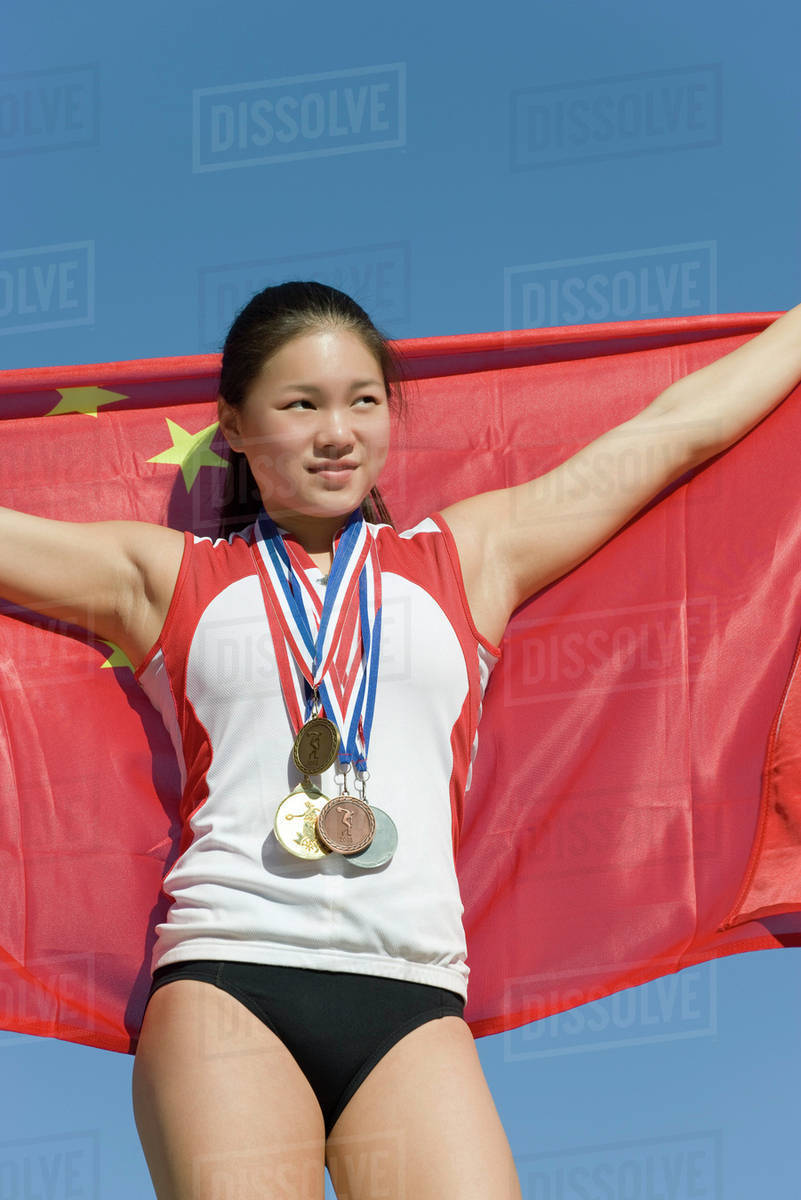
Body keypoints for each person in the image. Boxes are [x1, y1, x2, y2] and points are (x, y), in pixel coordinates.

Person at [1, 281, 799, 1200]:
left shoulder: (471, 558)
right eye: (299, 405)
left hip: (415, 996)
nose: (336, 432)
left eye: (363, 401)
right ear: (232, 425)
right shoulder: (160, 575)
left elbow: (675, 434)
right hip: (229, 981)